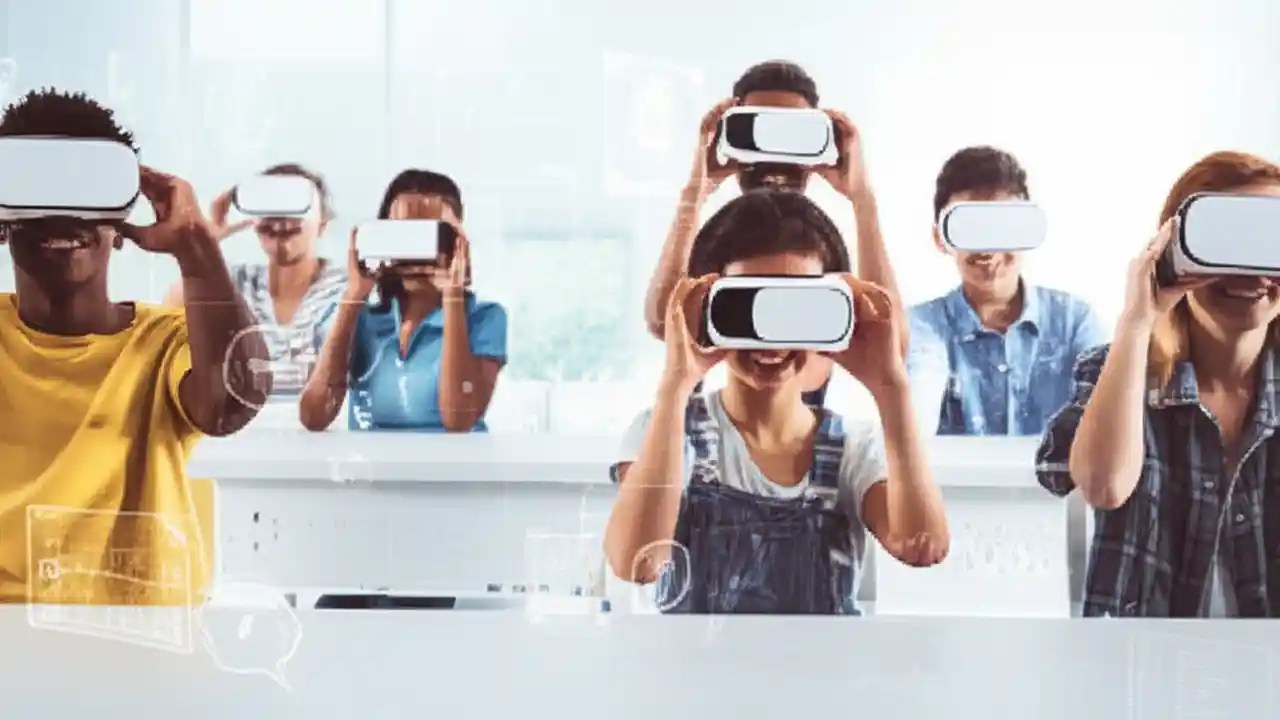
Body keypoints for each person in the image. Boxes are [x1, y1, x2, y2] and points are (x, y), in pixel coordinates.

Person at [605, 189, 948, 615]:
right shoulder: (664, 429)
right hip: (692, 678)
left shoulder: (855, 447)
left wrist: (890, 387)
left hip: (824, 679)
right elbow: (636, 561)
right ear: (709, 313)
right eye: (747, 308)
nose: (772, 341)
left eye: (796, 310)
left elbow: (923, 545)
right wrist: (676, 384)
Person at [0, 89, 269, 605]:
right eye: (37, 191)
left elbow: (232, 406)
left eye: (87, 191)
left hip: (142, 642)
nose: (63, 214)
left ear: (120, 221)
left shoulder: (165, 342)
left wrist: (197, 250)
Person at [1036, 151, 1280, 617]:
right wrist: (1137, 319)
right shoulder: (1119, 371)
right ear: (1174, 249)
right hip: (1139, 671)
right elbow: (1104, 487)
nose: (1251, 274)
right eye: (1227, 244)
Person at [642, 60, 908, 411]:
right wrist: (697, 187)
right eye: (759, 133)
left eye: (792, 136)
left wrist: (861, 196)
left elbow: (891, 343)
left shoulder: (820, 247)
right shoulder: (723, 240)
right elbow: (664, 322)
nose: (775, 157)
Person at [907, 146, 1106, 435]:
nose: (987, 249)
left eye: (1003, 227)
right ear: (941, 237)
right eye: (970, 229)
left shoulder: (1075, 321)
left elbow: (1107, 425)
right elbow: (915, 421)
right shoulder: (922, 326)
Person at [299, 169, 508, 432]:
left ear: (456, 243)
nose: (416, 254)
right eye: (404, 236)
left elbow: (458, 419)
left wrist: (452, 295)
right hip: (374, 470)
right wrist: (354, 295)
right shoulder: (364, 321)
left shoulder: (484, 318)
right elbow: (314, 416)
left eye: (430, 236)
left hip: (455, 470)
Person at [163, 163, 346, 396]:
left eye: (296, 206)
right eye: (269, 208)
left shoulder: (348, 289)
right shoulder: (231, 281)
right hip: (240, 427)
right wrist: (205, 246)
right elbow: (170, 321)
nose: (281, 221)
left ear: (323, 223)